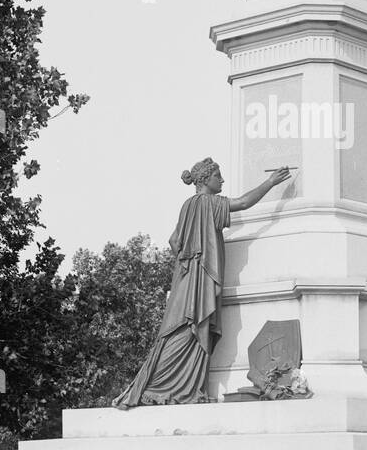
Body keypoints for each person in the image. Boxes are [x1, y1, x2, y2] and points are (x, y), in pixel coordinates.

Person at [112, 158, 291, 408]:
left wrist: (189, 262)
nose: (223, 180)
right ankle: (159, 387)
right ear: (206, 179)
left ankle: (163, 385)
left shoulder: (188, 206)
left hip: (187, 280)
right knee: (191, 329)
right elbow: (243, 202)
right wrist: (271, 182)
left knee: (183, 329)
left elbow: (174, 241)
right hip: (199, 281)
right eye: (219, 176)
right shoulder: (208, 203)